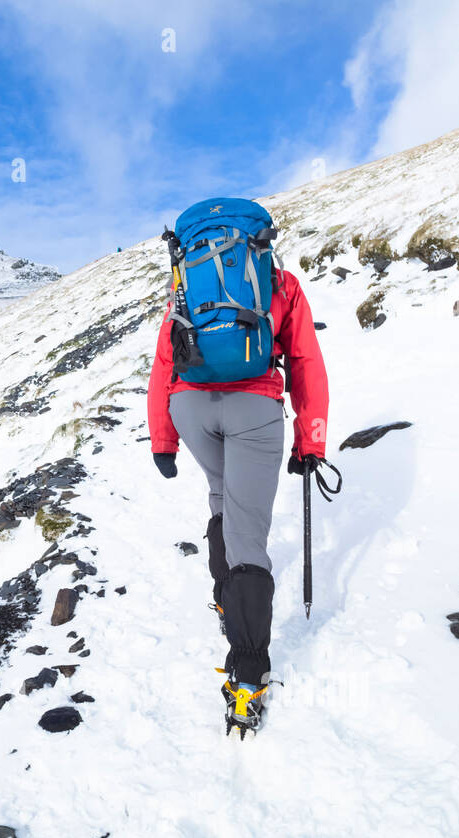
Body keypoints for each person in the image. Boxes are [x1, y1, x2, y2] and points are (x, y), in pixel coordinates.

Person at [147, 208, 329, 734]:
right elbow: (304, 361)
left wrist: (163, 438)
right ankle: (248, 676)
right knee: (248, 533)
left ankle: (229, 605)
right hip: (255, 406)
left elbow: (165, 360)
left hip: (190, 407)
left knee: (223, 499)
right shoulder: (278, 282)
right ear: (258, 241)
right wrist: (310, 439)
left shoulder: (185, 288)